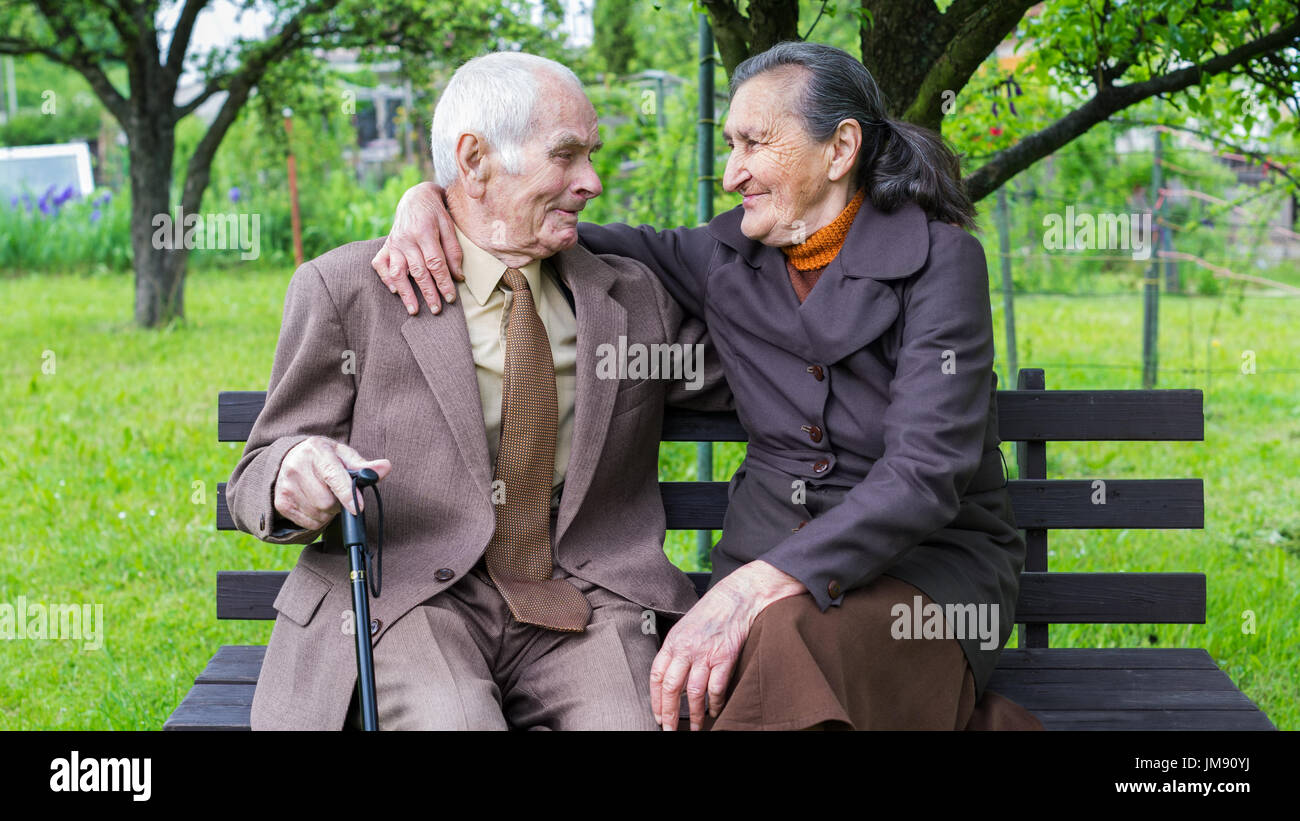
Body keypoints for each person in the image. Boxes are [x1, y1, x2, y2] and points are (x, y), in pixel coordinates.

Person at [372, 41, 1045, 731]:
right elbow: (550, 226)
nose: (731, 175)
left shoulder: (941, 263)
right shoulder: (725, 258)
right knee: (728, 677)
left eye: (753, 143)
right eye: (729, 144)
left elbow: (926, 475)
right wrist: (433, 199)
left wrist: (758, 584)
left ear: (840, 149)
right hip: (758, 584)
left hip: (923, 576)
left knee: (784, 648)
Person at [224, 51, 728, 730]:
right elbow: (259, 467)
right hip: (405, 597)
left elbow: (765, 369)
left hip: (581, 595)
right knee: (450, 720)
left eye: (592, 154)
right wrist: (294, 474)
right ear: (476, 158)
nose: (593, 181)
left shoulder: (629, 297)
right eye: (567, 155)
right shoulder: (351, 289)